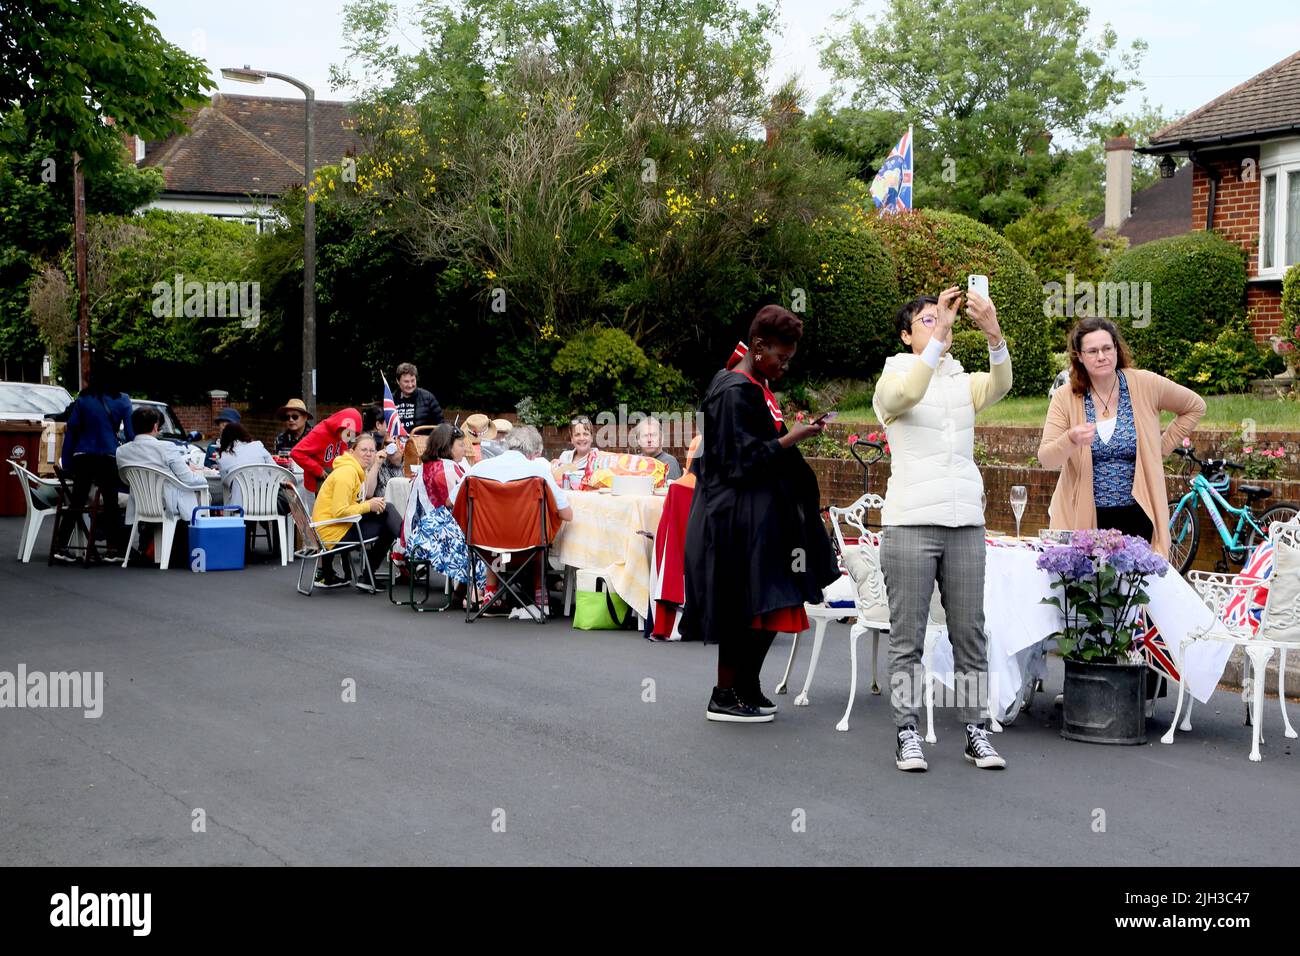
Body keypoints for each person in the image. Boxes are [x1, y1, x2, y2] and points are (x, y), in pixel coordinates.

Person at [873, 287, 1013, 772]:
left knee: (969, 634)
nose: (940, 324)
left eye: (943, 318)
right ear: (907, 334)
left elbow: (1001, 384)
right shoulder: (894, 375)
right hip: (910, 522)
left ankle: (977, 730)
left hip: (964, 524)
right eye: (927, 320)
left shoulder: (961, 381)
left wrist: (992, 331)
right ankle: (907, 732)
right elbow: (908, 393)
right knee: (907, 637)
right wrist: (940, 338)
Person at [681, 305, 839, 724]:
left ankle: (747, 686)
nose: (785, 366)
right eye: (781, 358)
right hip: (735, 519)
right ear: (758, 347)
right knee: (742, 605)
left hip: (760, 517)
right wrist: (791, 439)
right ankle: (724, 694)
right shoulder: (736, 390)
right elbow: (740, 462)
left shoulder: (751, 382)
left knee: (773, 601)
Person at [1037, 316, 1206, 556]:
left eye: (1107, 348)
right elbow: (1046, 459)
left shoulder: (1144, 384)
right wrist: (1070, 440)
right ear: (1080, 357)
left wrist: (1158, 449)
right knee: (1089, 589)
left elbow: (1195, 406)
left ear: (1117, 349)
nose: (1101, 356)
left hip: (1138, 515)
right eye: (1092, 351)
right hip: (1087, 518)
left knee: (1134, 590)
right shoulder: (1066, 397)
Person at [453, 425, 574, 612]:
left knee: (493, 532)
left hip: (484, 544)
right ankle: (540, 596)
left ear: (507, 445)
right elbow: (566, 514)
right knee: (541, 528)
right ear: (534, 453)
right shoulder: (538, 473)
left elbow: (450, 501)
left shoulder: (479, 469)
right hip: (530, 545)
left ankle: (490, 593)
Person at [52, 372, 134, 563]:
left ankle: (60, 545)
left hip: (83, 455)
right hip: (108, 455)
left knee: (77, 502)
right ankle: (114, 550)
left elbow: (72, 431)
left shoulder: (83, 400)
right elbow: (130, 433)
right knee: (111, 503)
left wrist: (67, 461)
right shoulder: (123, 400)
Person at [403, 423, 486, 600]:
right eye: (461, 445)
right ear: (448, 446)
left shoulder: (429, 465)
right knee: (484, 540)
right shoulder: (447, 469)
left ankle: (462, 591)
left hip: (421, 531)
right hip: (434, 535)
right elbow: (458, 507)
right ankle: (479, 594)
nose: (465, 449)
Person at [311, 432, 402, 590]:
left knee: (387, 510)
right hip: (333, 532)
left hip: (334, 527)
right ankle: (407, 547)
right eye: (364, 450)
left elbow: (350, 505)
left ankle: (405, 544)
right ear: (352, 452)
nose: (368, 454)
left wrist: (371, 505)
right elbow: (340, 511)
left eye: (372, 450)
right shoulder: (347, 473)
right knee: (387, 522)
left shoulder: (352, 470)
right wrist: (369, 506)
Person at [116, 406, 209, 557]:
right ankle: (198, 549)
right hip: (167, 504)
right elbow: (189, 479)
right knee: (202, 491)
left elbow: (126, 479)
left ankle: (149, 547)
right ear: (155, 426)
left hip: (141, 502)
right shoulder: (166, 447)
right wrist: (203, 478)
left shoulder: (122, 451)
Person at [290, 407, 362, 494]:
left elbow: (343, 454)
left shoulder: (341, 436)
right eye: (349, 432)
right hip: (315, 485)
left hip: (331, 482)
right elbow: (296, 452)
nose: (350, 437)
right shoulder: (320, 432)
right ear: (341, 426)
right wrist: (318, 470)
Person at [216, 422, 275, 508]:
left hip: (240, 505)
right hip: (267, 504)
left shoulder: (223, 457)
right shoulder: (258, 446)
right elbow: (274, 468)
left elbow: (226, 483)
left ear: (224, 438)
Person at [550, 416, 599, 487]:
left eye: (585, 434)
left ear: (591, 438)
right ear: (572, 439)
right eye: (577, 435)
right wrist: (553, 468)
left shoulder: (598, 458)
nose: (581, 438)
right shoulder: (564, 456)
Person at [393, 362, 443, 431]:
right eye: (406, 382)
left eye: (413, 381)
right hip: (397, 440)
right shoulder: (391, 400)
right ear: (398, 381)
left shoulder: (428, 398)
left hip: (423, 440)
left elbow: (441, 424)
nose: (410, 385)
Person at [633, 416, 683, 480]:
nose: (649, 440)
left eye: (653, 435)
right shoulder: (634, 462)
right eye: (645, 435)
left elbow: (673, 489)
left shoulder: (670, 462)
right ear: (638, 440)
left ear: (661, 438)